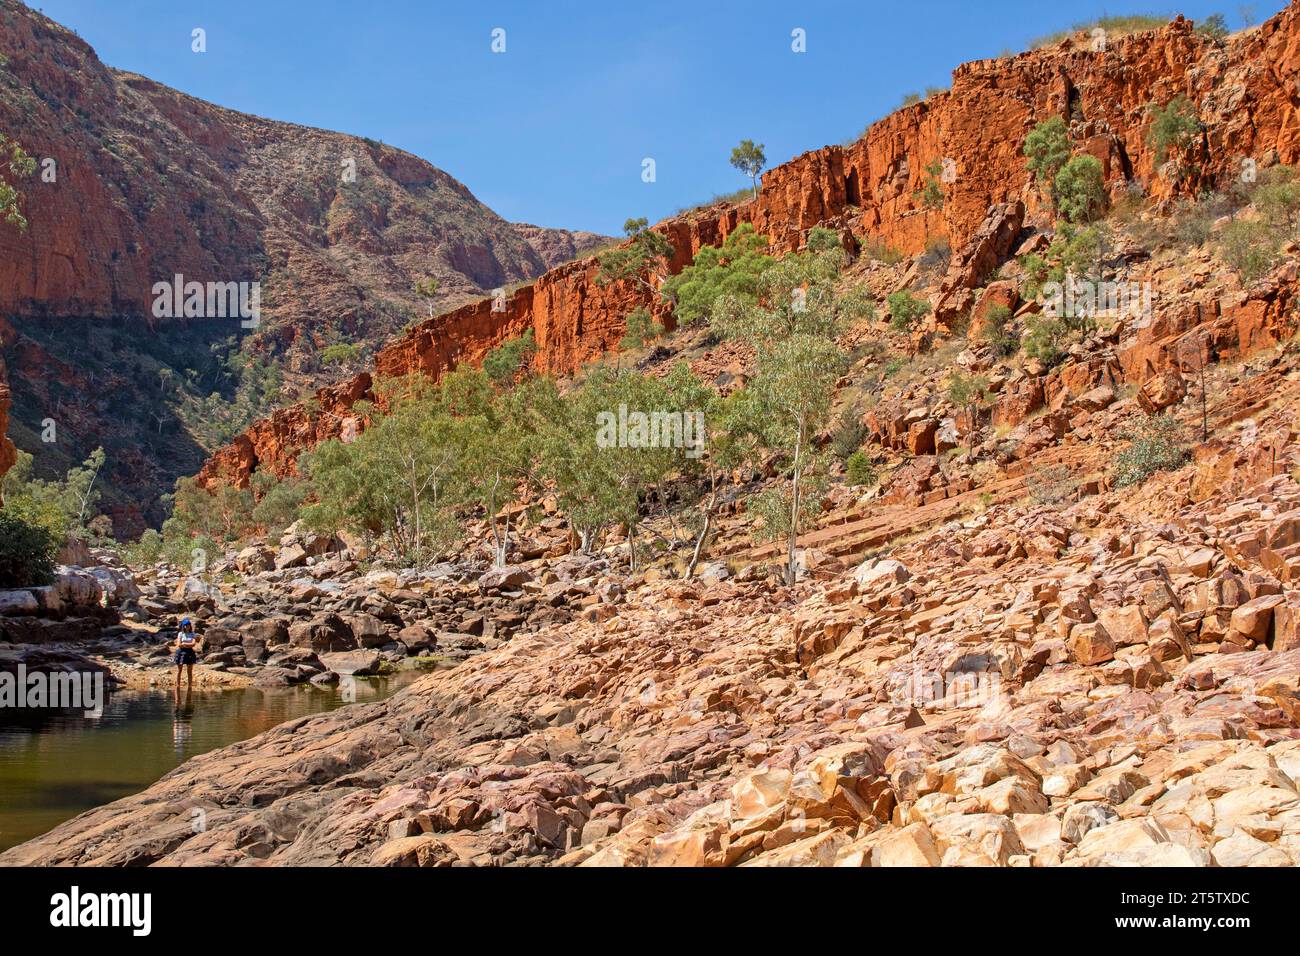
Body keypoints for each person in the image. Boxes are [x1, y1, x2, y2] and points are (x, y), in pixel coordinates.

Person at [173, 618, 199, 697]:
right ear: (183, 626)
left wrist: (184, 643)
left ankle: (190, 685)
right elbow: (179, 644)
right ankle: (177, 685)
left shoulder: (192, 634)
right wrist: (187, 644)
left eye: (188, 625)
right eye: (185, 625)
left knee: (189, 670)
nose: (187, 626)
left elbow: (194, 644)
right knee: (179, 670)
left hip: (190, 652)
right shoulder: (180, 634)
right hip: (181, 652)